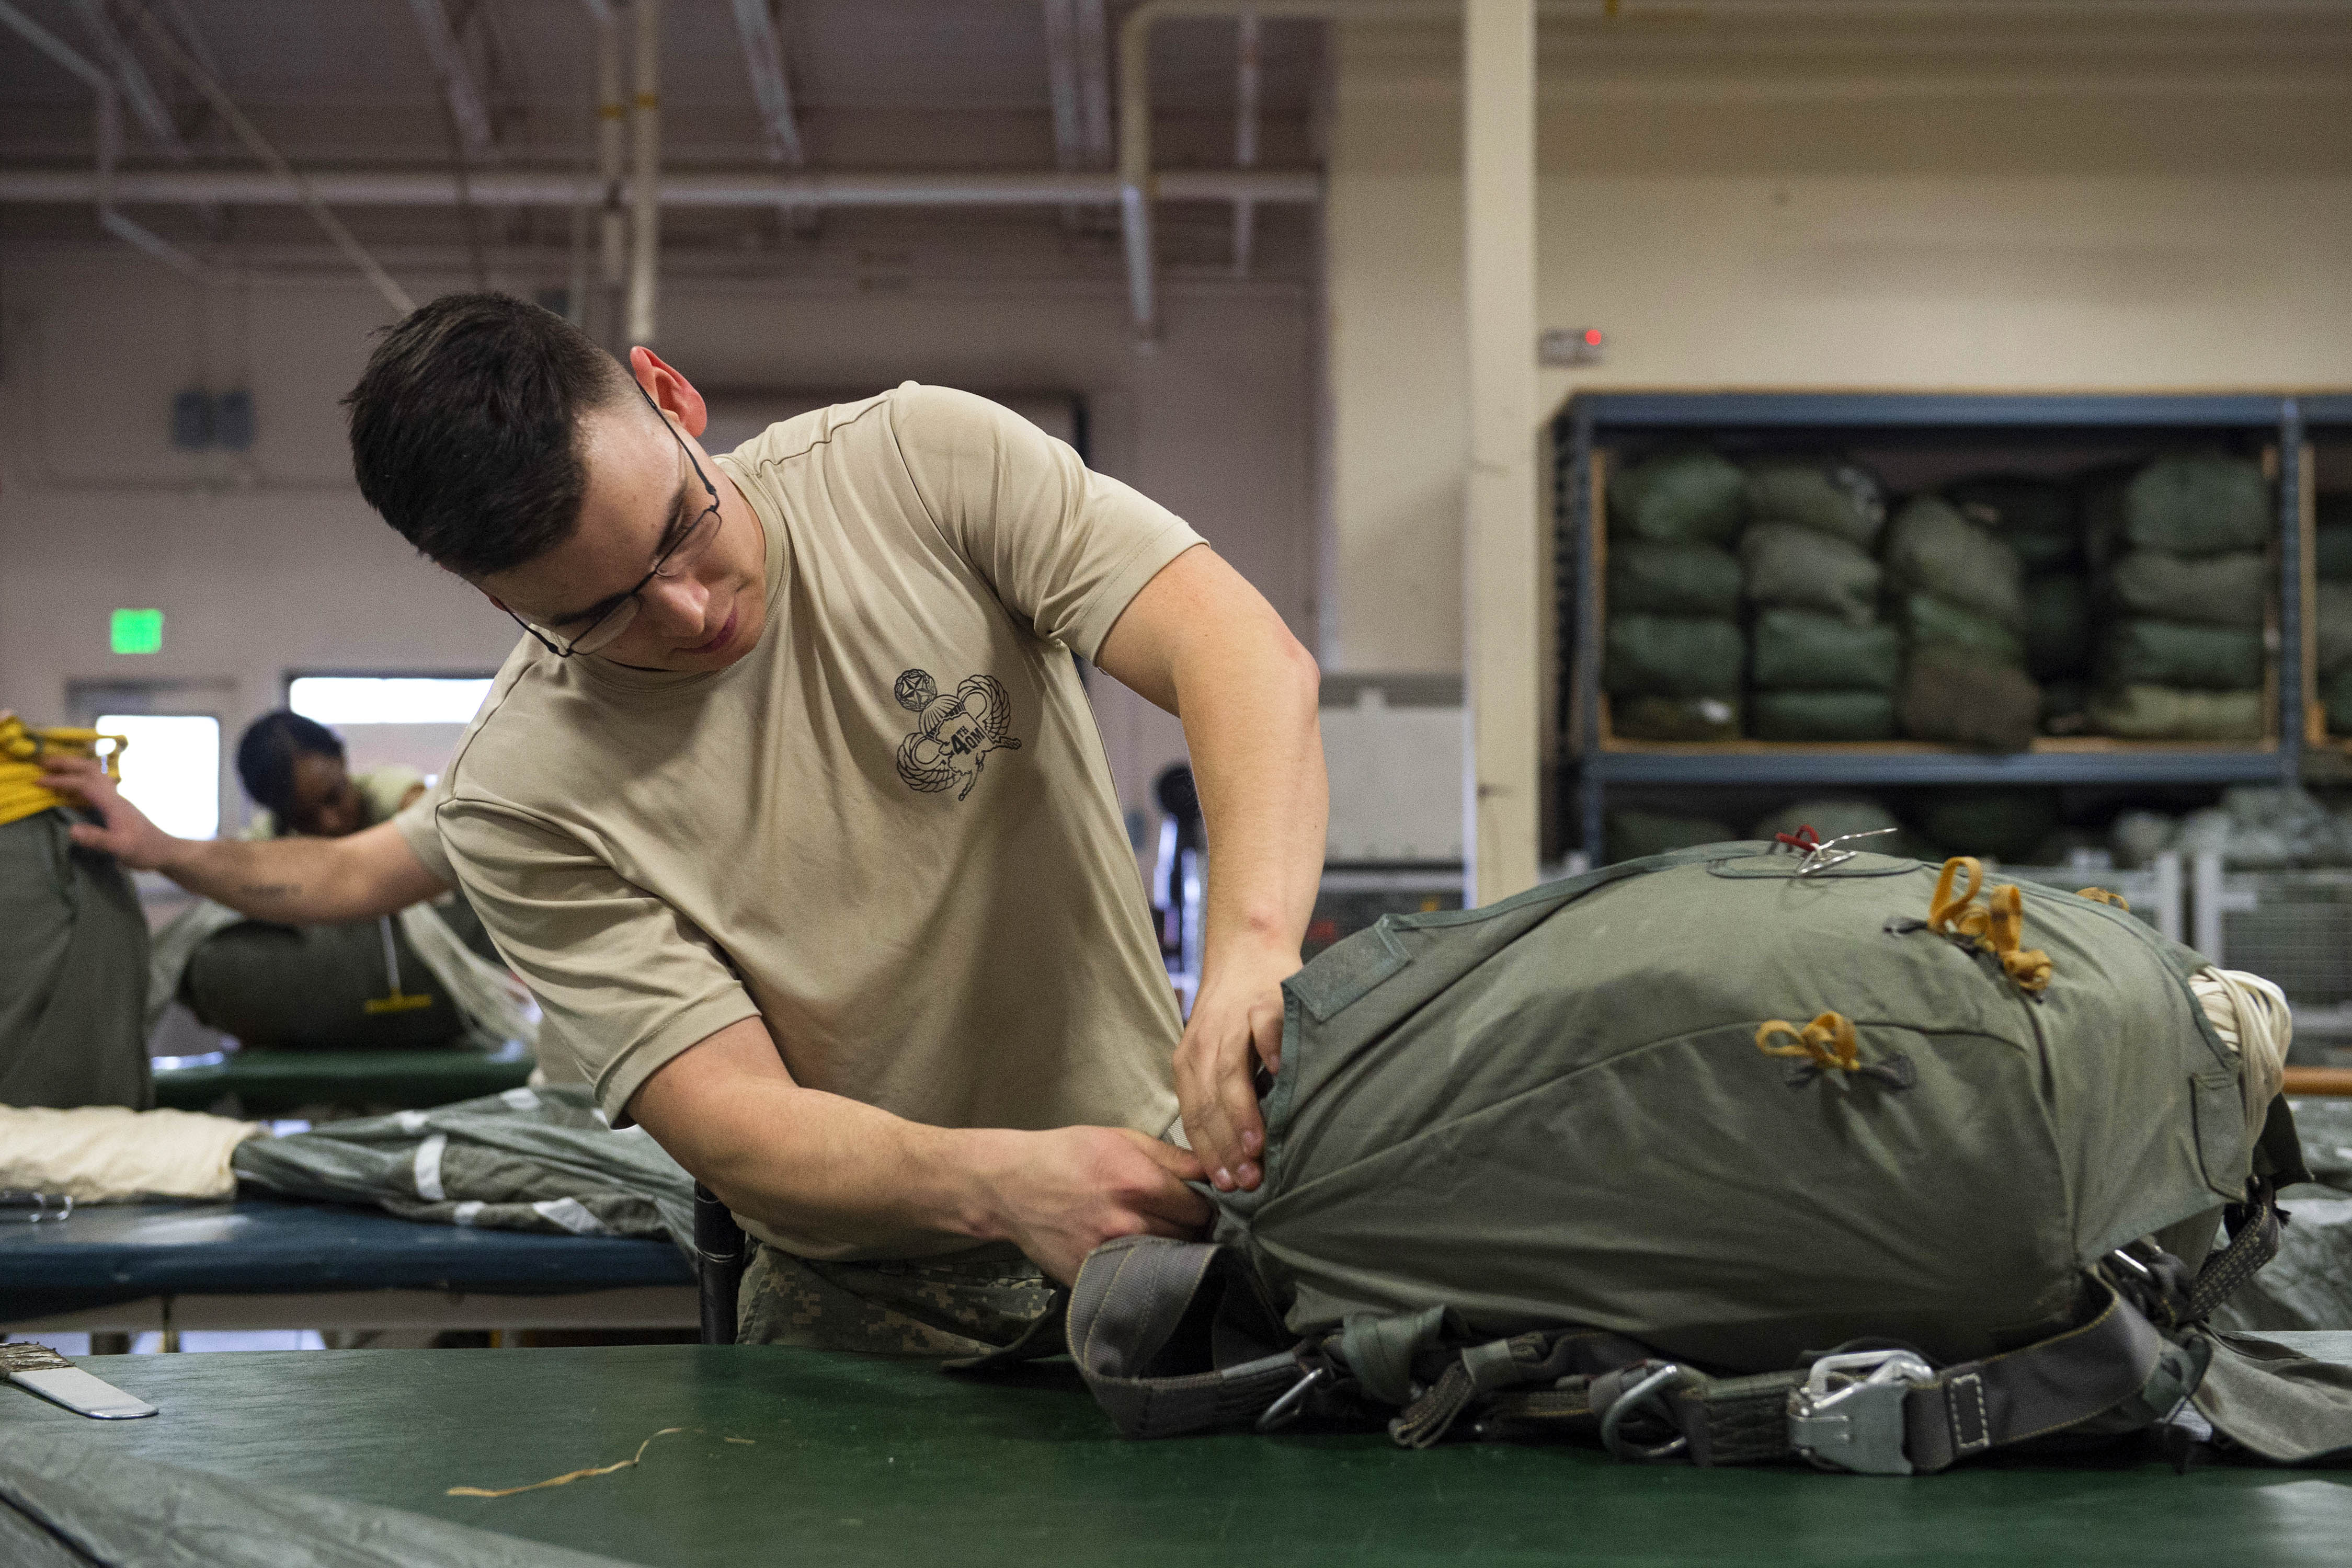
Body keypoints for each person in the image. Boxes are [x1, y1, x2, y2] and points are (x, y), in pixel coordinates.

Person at [53, 292, 1326, 1354]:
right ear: (482, 589)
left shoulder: (919, 464)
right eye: (597, 613)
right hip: (871, 1307)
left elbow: (1240, 655)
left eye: (679, 531)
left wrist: (1250, 949)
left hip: (1166, 1196)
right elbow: (732, 1120)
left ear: (670, 395)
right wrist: (995, 1181)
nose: (685, 613)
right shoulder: (519, 796)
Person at [138, 712, 532, 1055]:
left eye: (335, 796)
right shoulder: (266, 843)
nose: (330, 823)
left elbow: (445, 836)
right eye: (305, 817)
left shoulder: (392, 792)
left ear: (343, 760)